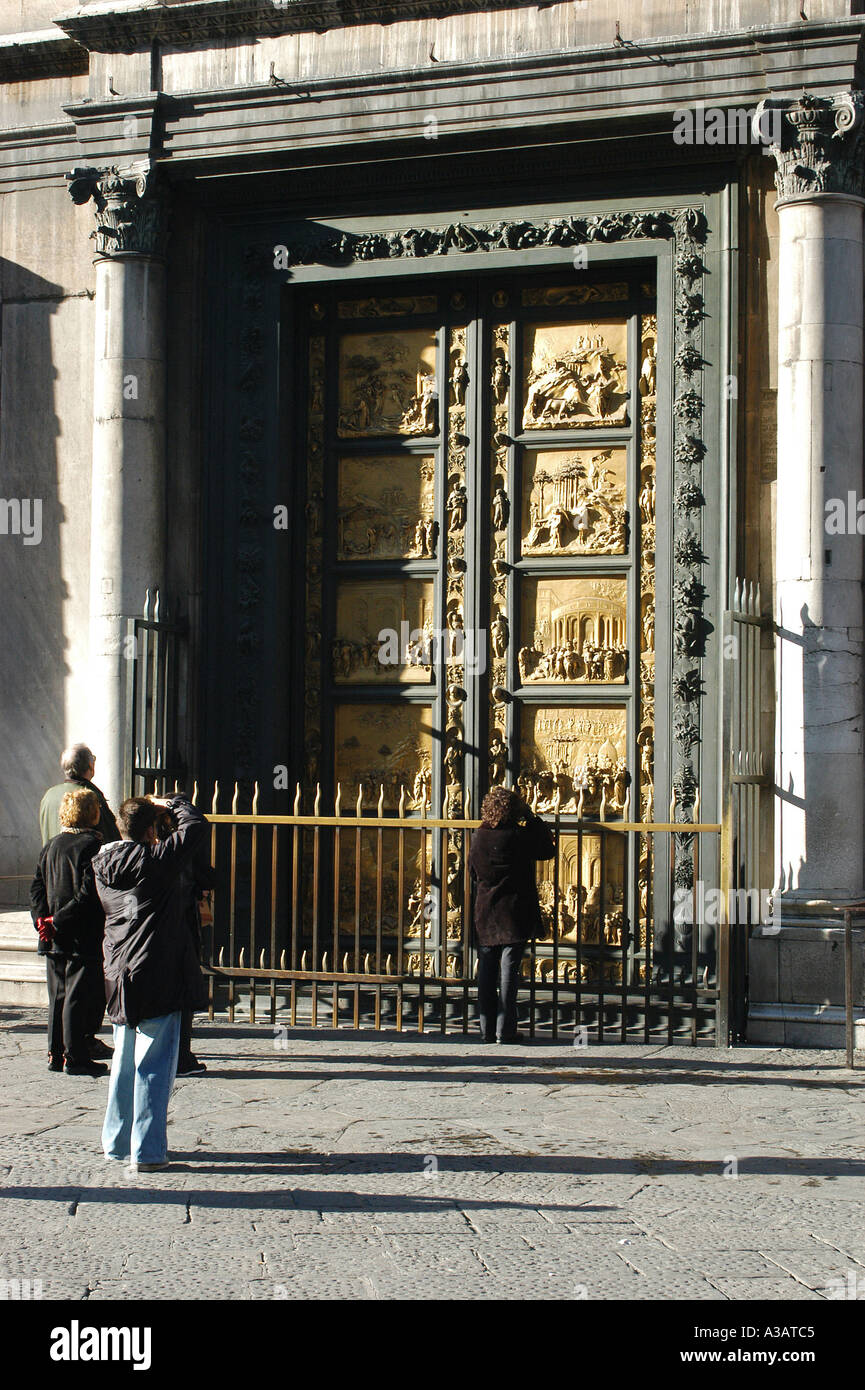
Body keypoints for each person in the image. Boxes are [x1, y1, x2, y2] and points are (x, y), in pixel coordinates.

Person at [94, 792, 208, 1174]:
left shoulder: (102, 863)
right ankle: (147, 1149)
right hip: (156, 969)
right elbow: (196, 827)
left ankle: (116, 1141)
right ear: (149, 829)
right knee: (154, 1063)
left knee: (124, 1059)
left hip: (118, 970)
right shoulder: (155, 861)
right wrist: (173, 802)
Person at [39, 743, 120, 1059]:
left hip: (52, 885)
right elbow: (110, 843)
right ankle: (80, 1042)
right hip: (78, 898)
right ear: (88, 766)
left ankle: (58, 1046)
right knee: (81, 985)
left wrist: (45, 916)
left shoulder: (48, 795)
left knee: (59, 987)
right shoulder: (90, 796)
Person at [30, 787, 108, 1077]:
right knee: (76, 996)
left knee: (58, 996)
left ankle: (55, 1053)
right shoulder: (93, 846)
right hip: (80, 934)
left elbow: (36, 887)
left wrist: (43, 920)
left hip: (52, 935)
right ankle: (75, 1056)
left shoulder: (51, 844)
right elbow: (88, 894)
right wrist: (56, 921)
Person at [468, 787, 555, 1044]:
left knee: (486, 969)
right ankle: (505, 1030)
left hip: (486, 911)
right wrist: (532, 817)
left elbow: (473, 872)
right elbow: (547, 851)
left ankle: (485, 1028)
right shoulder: (519, 835)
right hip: (513, 912)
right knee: (508, 972)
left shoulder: (479, 836)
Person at [153, 803, 215, 1077]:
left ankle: (164, 1054)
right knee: (183, 991)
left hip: (149, 934)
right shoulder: (171, 851)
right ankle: (179, 1057)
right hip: (179, 925)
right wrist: (176, 805)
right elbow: (197, 825)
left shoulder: (131, 852)